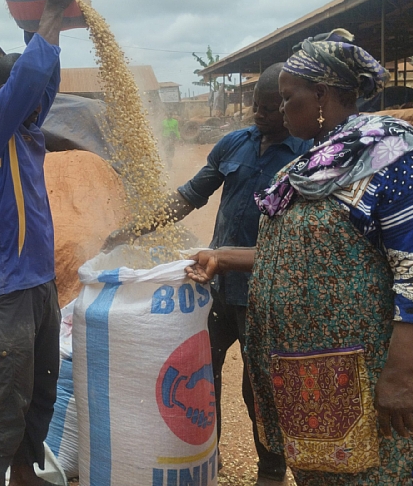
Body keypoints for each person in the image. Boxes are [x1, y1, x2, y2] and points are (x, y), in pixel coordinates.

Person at [187, 29, 413, 485]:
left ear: (321, 94)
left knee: (385, 470)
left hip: (371, 369)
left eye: (287, 98)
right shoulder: (313, 163)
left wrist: (400, 374)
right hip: (312, 373)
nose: (279, 109)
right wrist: (222, 257)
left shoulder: (390, 152)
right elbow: (302, 253)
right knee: (326, 471)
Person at [105, 63, 311, 485]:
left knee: (260, 391)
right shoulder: (234, 144)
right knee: (200, 378)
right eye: (257, 106)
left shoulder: (306, 155)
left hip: (264, 292)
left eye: (272, 108)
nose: (261, 114)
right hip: (214, 287)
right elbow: (189, 196)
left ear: (288, 108)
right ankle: (205, 458)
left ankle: (270, 471)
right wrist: (136, 226)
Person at [0, 0, 78, 486]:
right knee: (0, 411)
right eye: (27, 94)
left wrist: (47, 25)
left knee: (38, 398)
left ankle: (27, 477)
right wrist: (50, 12)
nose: (39, 102)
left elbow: (42, 79)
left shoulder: (30, 131)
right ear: (4, 94)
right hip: (5, 293)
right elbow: (31, 78)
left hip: (38, 289)